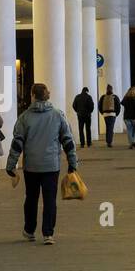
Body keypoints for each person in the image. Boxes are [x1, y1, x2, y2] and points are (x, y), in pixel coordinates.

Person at [5, 83, 79, 246]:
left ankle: (30, 230)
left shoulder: (24, 117)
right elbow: (67, 141)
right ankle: (48, 233)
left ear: (32, 95)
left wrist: (11, 166)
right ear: (48, 95)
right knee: (50, 199)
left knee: (31, 198)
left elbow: (17, 143)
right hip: (51, 165)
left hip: (31, 166)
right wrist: (73, 162)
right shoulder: (58, 115)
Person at [120, 85, 135, 149]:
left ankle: (131, 142)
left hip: (127, 117)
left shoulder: (126, 98)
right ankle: (134, 141)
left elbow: (122, 103)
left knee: (129, 130)